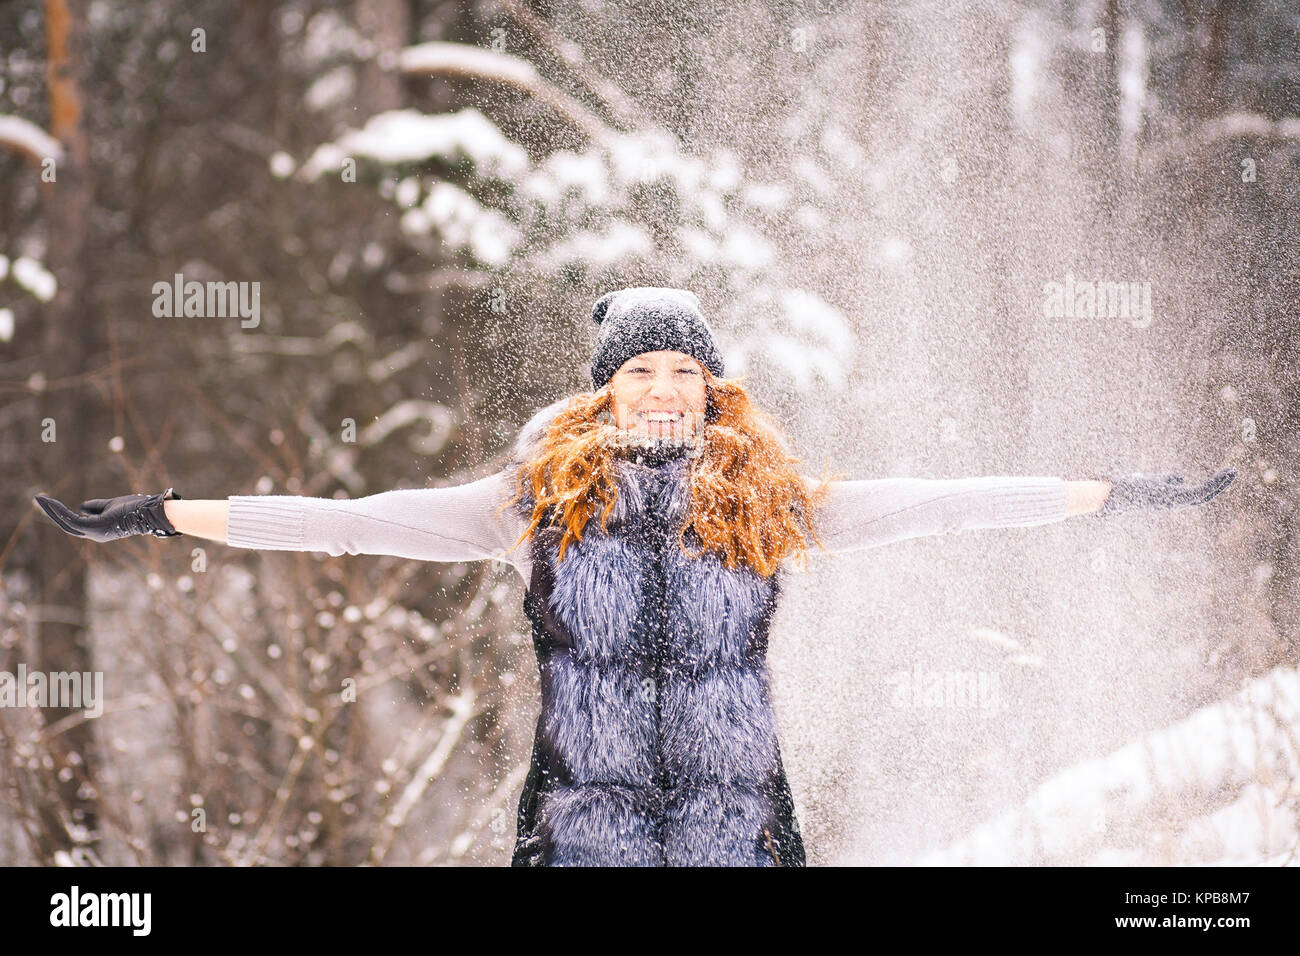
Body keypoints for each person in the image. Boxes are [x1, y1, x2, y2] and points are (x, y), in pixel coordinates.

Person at [33, 286, 1237, 867]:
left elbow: (943, 505)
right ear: (604, 386)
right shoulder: (532, 505)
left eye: (682, 369)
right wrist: (167, 516)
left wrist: (1109, 492)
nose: (663, 386)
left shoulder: (770, 506)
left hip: (739, 829)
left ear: (713, 389)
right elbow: (348, 521)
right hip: (580, 832)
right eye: (640, 367)